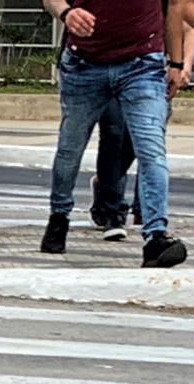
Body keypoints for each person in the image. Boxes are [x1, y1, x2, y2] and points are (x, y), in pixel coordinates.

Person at [41, 0, 188, 268]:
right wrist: (66, 12)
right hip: (83, 63)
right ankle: (59, 217)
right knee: (70, 148)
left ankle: (155, 236)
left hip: (143, 63)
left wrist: (176, 63)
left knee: (151, 148)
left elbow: (178, 6)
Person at [89, 14, 194, 238]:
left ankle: (144, 209)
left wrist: (183, 64)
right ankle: (112, 212)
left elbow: (186, 26)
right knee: (113, 134)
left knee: (148, 143)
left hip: (153, 71)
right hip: (110, 66)